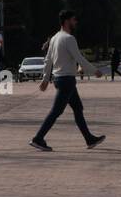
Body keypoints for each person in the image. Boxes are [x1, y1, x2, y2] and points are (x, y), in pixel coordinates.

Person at [30, 9, 106, 152]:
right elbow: (79, 58)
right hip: (66, 80)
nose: (75, 22)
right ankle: (38, 138)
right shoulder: (69, 39)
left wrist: (45, 78)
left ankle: (89, 139)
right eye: (73, 20)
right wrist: (94, 70)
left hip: (60, 79)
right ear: (66, 21)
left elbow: (48, 60)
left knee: (78, 109)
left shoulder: (54, 38)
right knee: (56, 111)